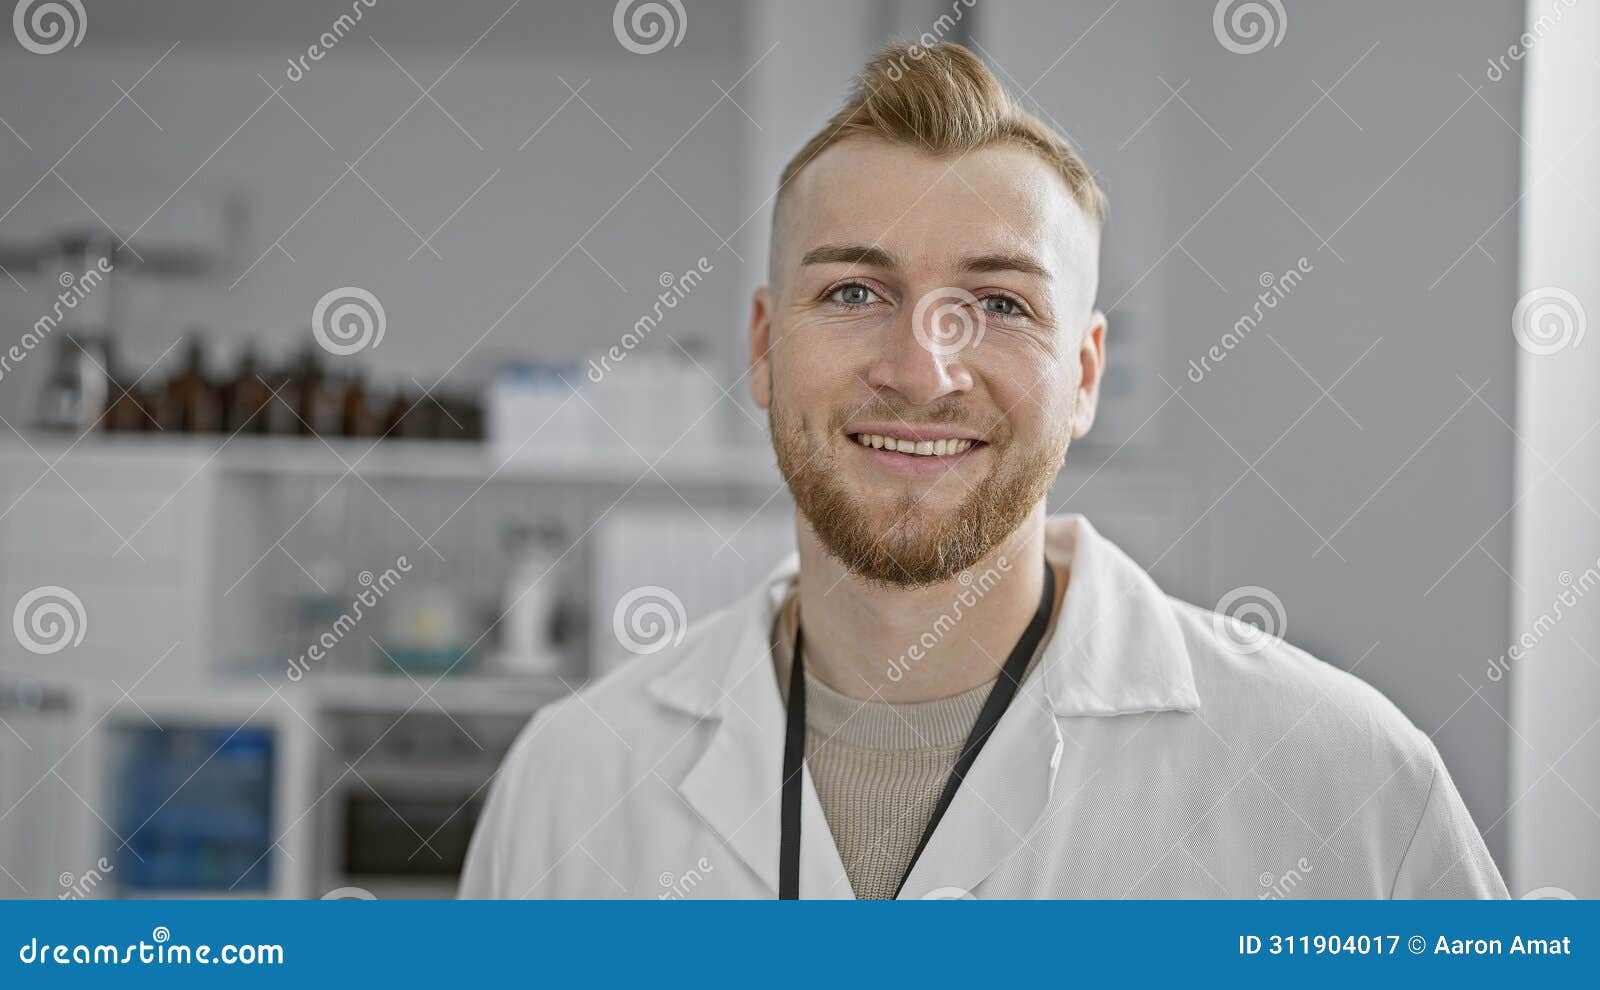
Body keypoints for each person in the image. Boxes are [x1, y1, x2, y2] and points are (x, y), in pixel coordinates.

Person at [459, 42, 1505, 900]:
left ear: (1084, 374)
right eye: (855, 293)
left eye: (1000, 305)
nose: (923, 369)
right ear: (764, 349)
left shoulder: (1342, 785)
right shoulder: (571, 780)